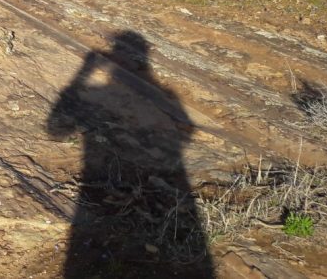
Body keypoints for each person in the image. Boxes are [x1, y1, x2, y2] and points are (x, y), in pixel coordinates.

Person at [46, 30, 213, 278]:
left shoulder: (104, 90)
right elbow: (185, 132)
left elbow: (55, 129)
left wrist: (84, 74)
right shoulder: (166, 96)